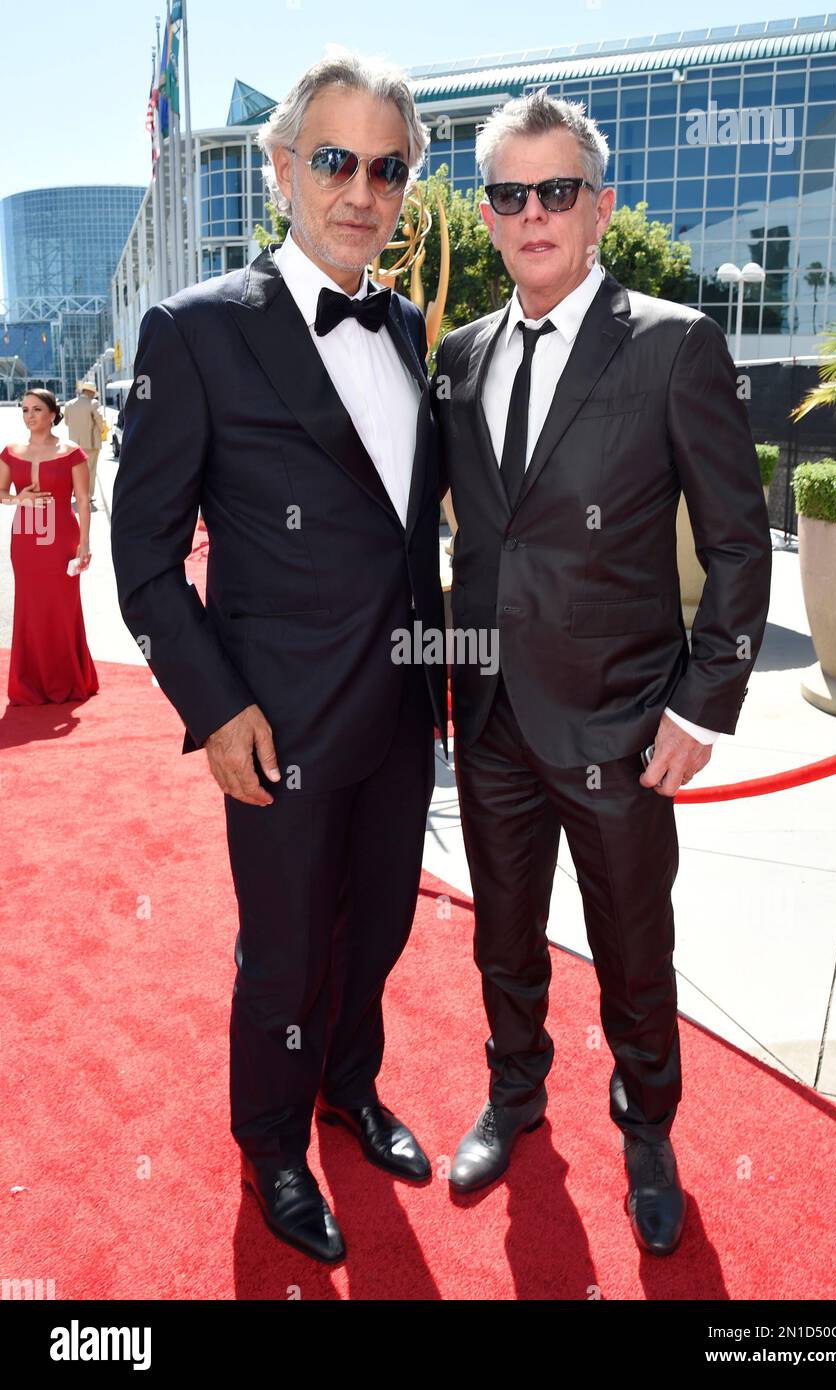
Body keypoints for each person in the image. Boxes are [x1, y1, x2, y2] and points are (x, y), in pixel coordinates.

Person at [111, 52, 448, 1265]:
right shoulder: (194, 330)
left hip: (402, 713)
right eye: (334, 159)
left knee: (378, 932)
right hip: (280, 727)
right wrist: (215, 710)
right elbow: (140, 557)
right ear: (280, 165)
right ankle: (270, 1142)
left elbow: (408, 530)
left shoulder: (408, 324)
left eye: (386, 167)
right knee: (286, 950)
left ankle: (347, 1088)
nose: (360, 190)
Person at [432, 91, 772, 1256]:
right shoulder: (459, 357)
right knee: (503, 936)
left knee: (633, 942)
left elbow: (736, 541)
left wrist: (701, 700)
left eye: (556, 191)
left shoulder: (674, 344)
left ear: (599, 206)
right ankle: (514, 1095)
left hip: (623, 722)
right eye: (510, 194)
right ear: (486, 215)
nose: (533, 214)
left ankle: (645, 1125)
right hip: (485, 719)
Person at [0, 389, 98, 706]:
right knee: (30, 606)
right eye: (25, 410)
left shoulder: (71, 452)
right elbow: (0, 492)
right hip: (25, 539)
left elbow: (83, 500)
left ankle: (69, 677)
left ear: (53, 414)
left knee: (61, 606)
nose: (29, 415)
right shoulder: (11, 451)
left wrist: (84, 542)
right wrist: (19, 499)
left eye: (36, 409)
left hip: (61, 538)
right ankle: (29, 682)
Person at [63, 381, 104, 508]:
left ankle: (76, 493)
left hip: (73, 444)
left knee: (75, 471)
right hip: (91, 443)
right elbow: (99, 420)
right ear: (91, 392)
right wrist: (102, 429)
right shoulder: (93, 403)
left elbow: (66, 422)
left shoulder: (69, 404)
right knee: (90, 470)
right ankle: (88, 495)